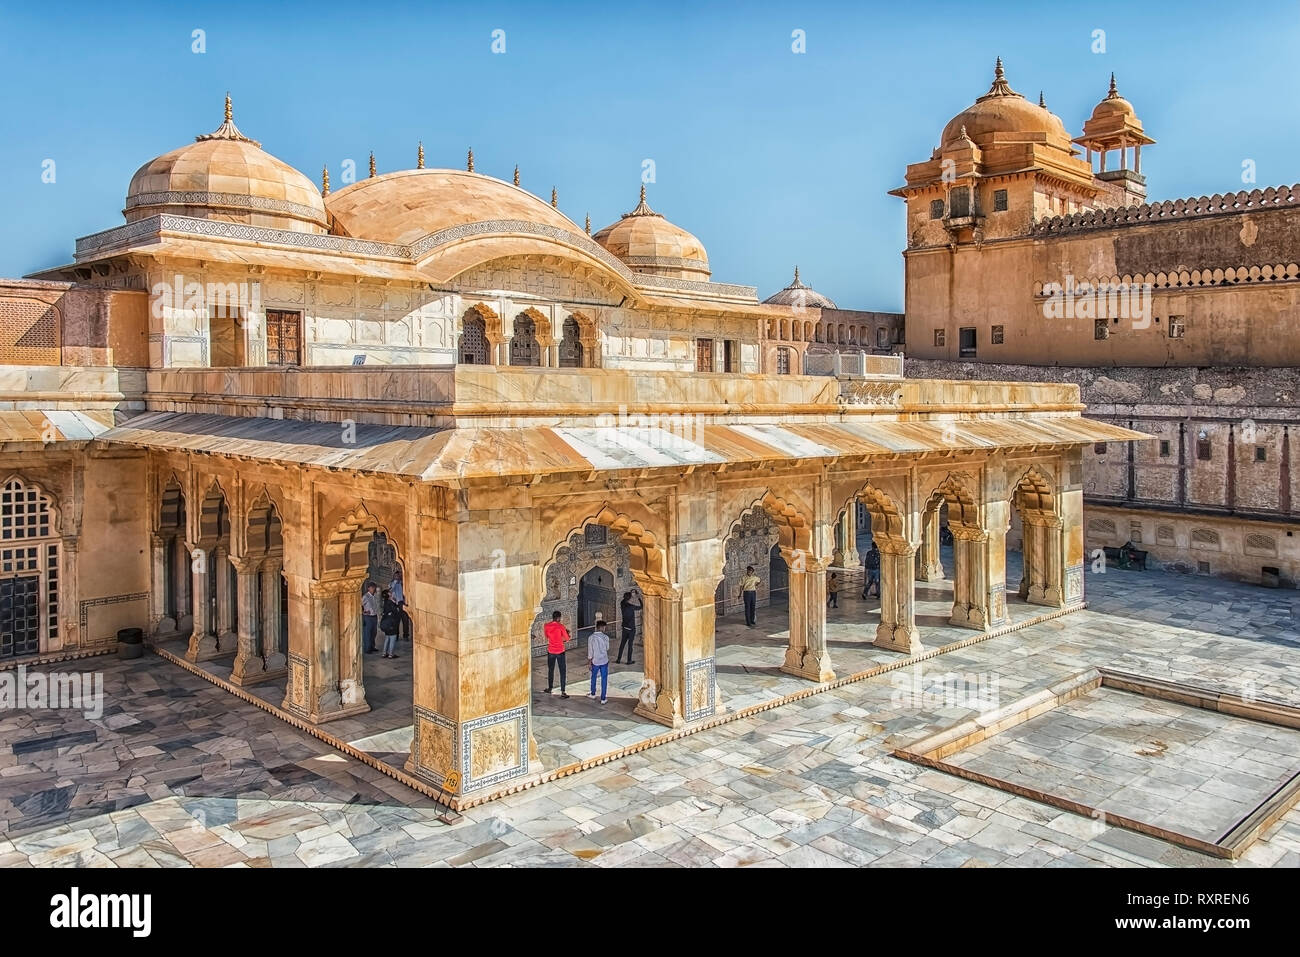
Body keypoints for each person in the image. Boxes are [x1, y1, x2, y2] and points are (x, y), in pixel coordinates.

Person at [543, 611, 570, 698]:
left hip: (551, 651)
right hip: (560, 651)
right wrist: (567, 633)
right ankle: (563, 691)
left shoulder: (546, 626)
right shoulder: (561, 626)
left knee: (551, 670)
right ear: (558, 618)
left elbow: (547, 636)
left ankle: (550, 688)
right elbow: (567, 639)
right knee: (562, 671)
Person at [587, 620, 610, 705]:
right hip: (604, 660)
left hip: (595, 661)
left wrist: (589, 662)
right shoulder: (606, 637)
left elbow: (590, 651)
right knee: (604, 679)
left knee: (593, 677)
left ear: (597, 627)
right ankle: (603, 698)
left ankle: (593, 693)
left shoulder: (591, 637)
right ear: (602, 627)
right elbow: (607, 648)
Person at [616, 590, 641, 664]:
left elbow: (625, 600)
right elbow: (641, 607)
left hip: (624, 627)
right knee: (630, 645)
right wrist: (638, 598)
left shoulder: (622, 603)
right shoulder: (631, 607)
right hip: (631, 629)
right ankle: (629, 660)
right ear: (629, 598)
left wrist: (630, 595)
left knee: (622, 644)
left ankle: (618, 659)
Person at [379, 589, 402, 659]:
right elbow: (396, 611)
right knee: (392, 638)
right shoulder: (390, 603)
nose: (391, 593)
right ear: (388, 595)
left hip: (386, 623)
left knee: (387, 638)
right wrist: (396, 604)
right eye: (389, 592)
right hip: (391, 623)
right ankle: (391, 654)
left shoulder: (386, 602)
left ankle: (384, 653)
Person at [390, 568, 411, 641]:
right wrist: (395, 582)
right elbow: (390, 590)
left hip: (403, 602)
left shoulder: (402, 583)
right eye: (396, 576)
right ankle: (396, 635)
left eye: (398, 576)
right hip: (396, 603)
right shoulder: (392, 583)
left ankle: (406, 635)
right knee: (396, 620)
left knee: (405, 619)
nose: (397, 577)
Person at [361, 581, 380, 654]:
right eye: (372, 588)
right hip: (368, 617)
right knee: (367, 632)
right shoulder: (365, 597)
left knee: (373, 632)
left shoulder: (374, 596)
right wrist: (364, 612)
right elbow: (360, 605)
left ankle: (372, 646)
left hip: (374, 616)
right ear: (368, 588)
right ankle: (367, 648)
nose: (373, 589)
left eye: (374, 588)